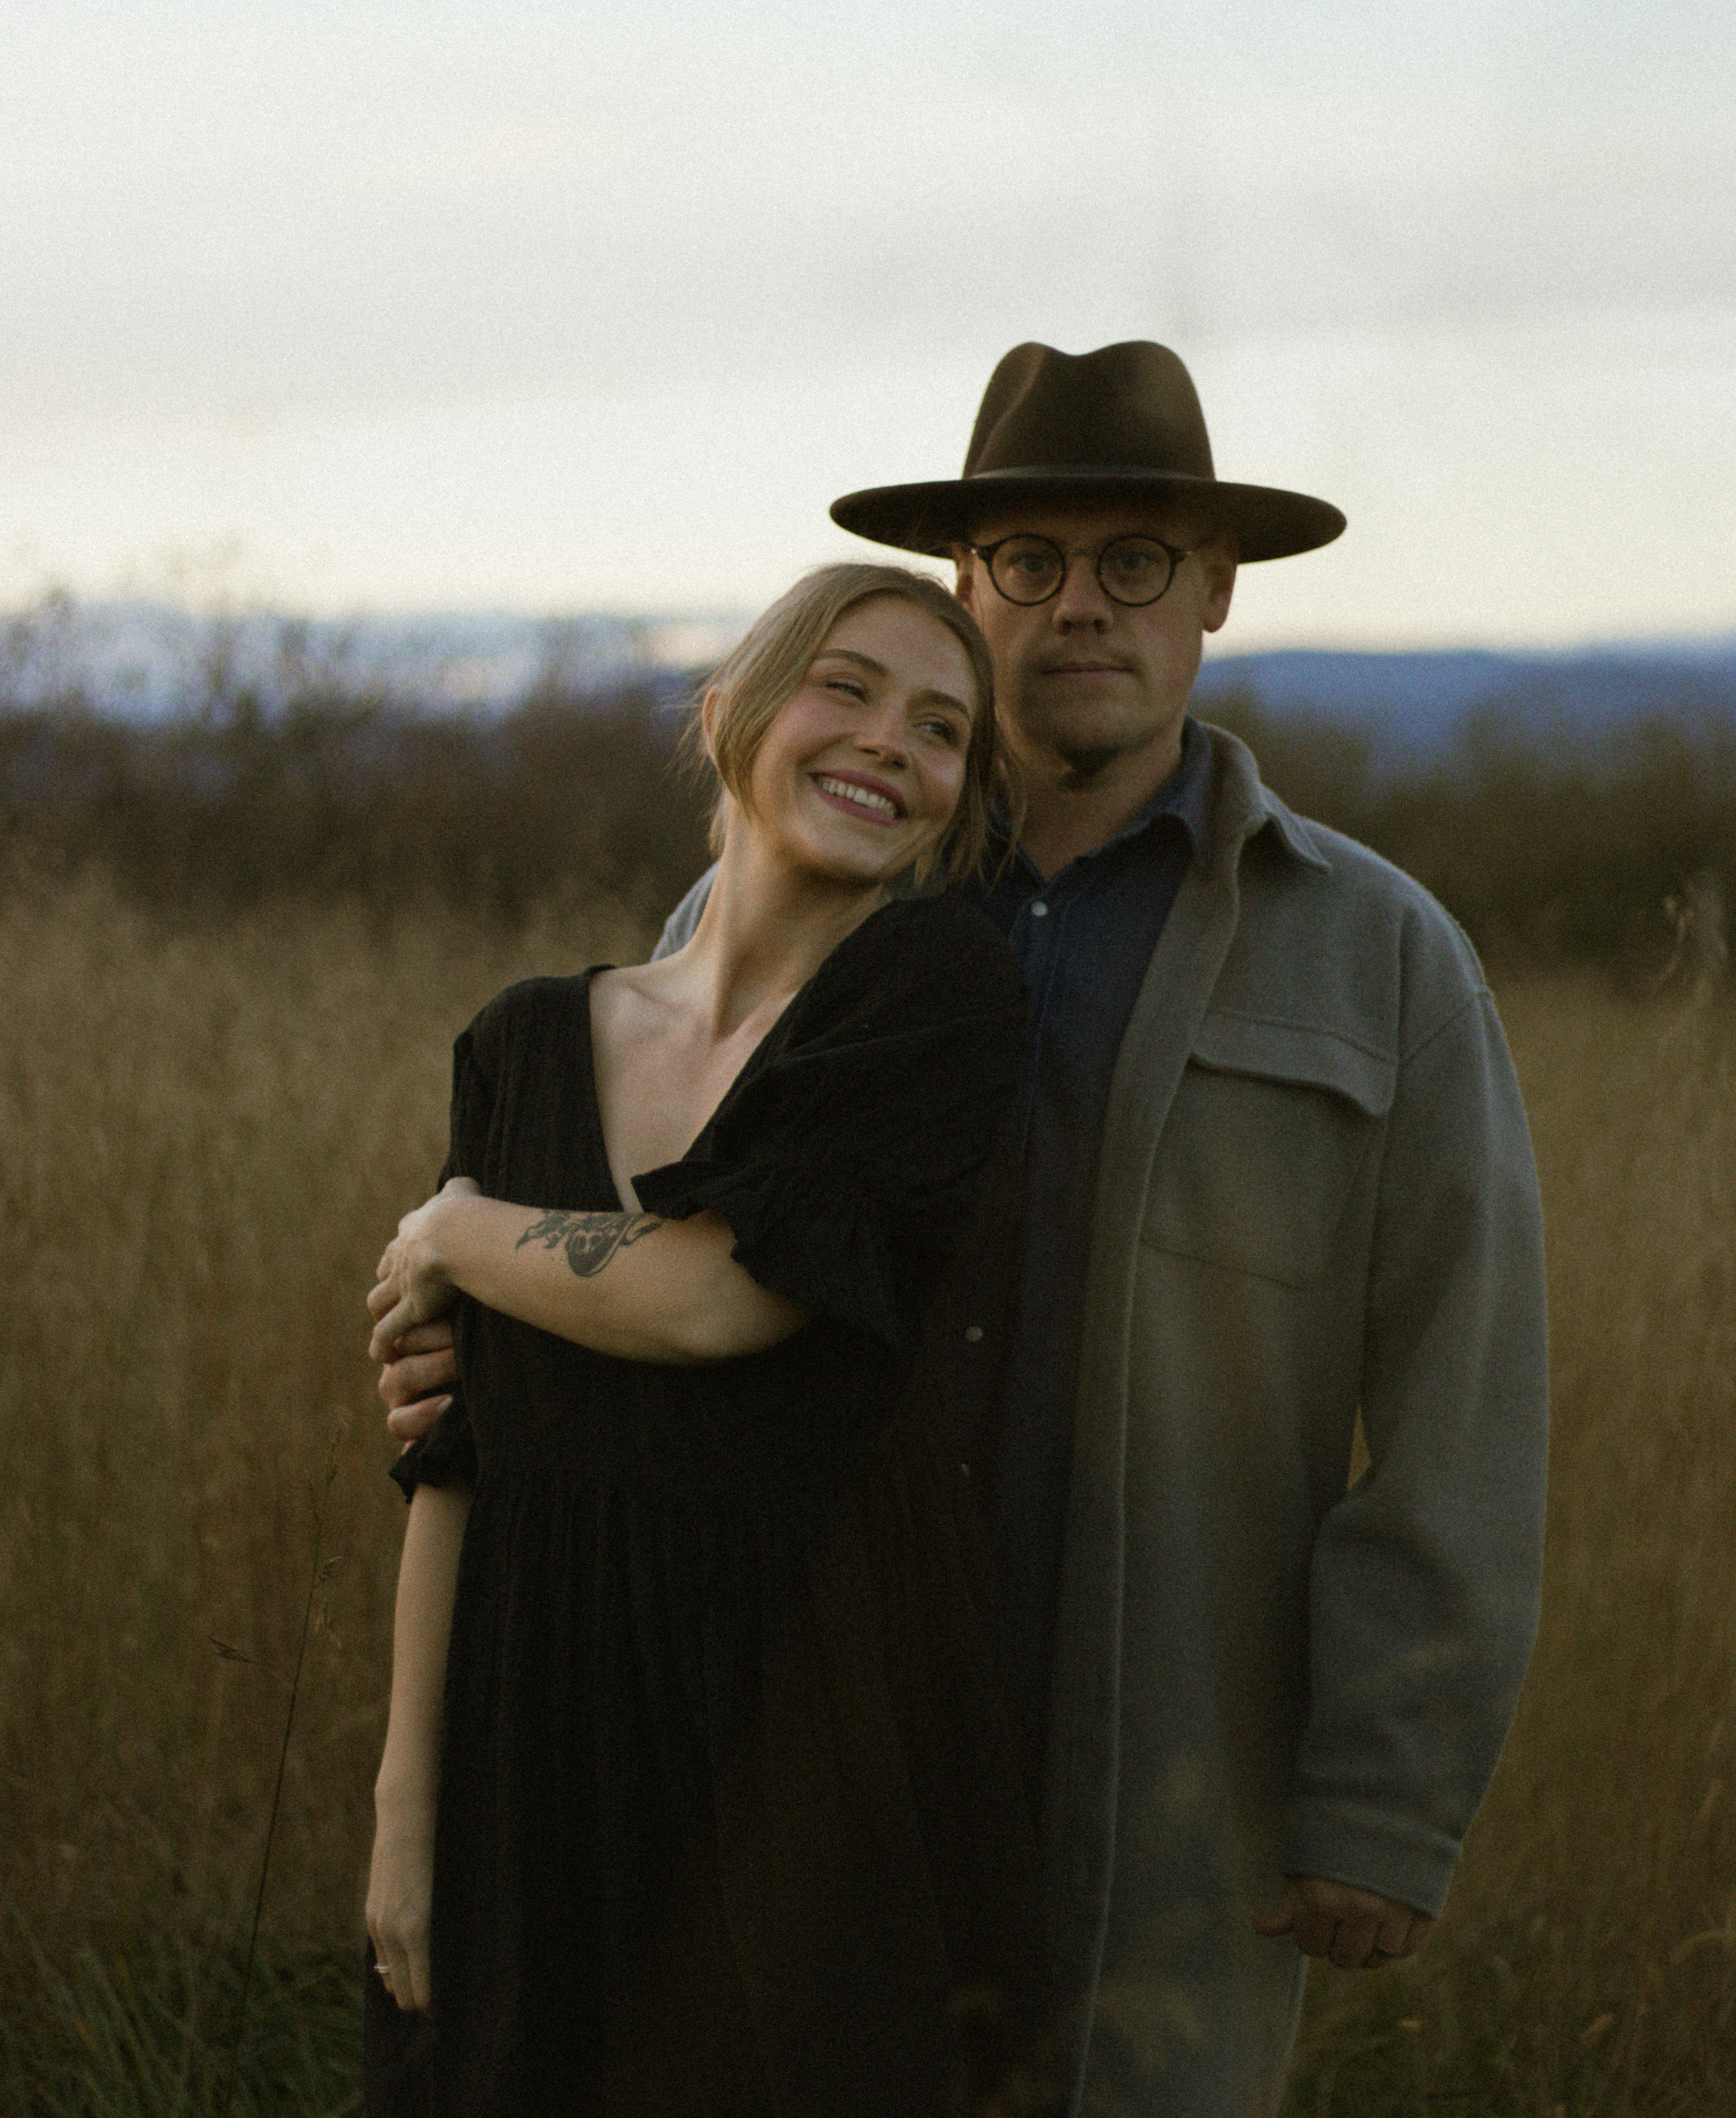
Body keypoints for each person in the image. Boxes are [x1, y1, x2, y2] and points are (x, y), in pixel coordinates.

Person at [381, 341, 1549, 2118]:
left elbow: (1464, 1390)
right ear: (965, 585)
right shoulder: (767, 902)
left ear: (1215, 591)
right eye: (1027, 562)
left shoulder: (1374, 958)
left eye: (1134, 562)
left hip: (1161, 1743)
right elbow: (634, 1260)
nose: (1079, 606)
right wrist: (463, 1337)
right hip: (787, 1726)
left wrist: (1380, 1791)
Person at [362, 561, 1055, 2118]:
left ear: (951, 800)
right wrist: (410, 1803)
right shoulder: (524, 1039)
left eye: (942, 728)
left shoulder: (930, 1002)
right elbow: (451, 1452)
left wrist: (453, 1230)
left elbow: (715, 1297)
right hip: (527, 1734)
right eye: (849, 688)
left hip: (800, 1754)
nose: (890, 741)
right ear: (727, 712)